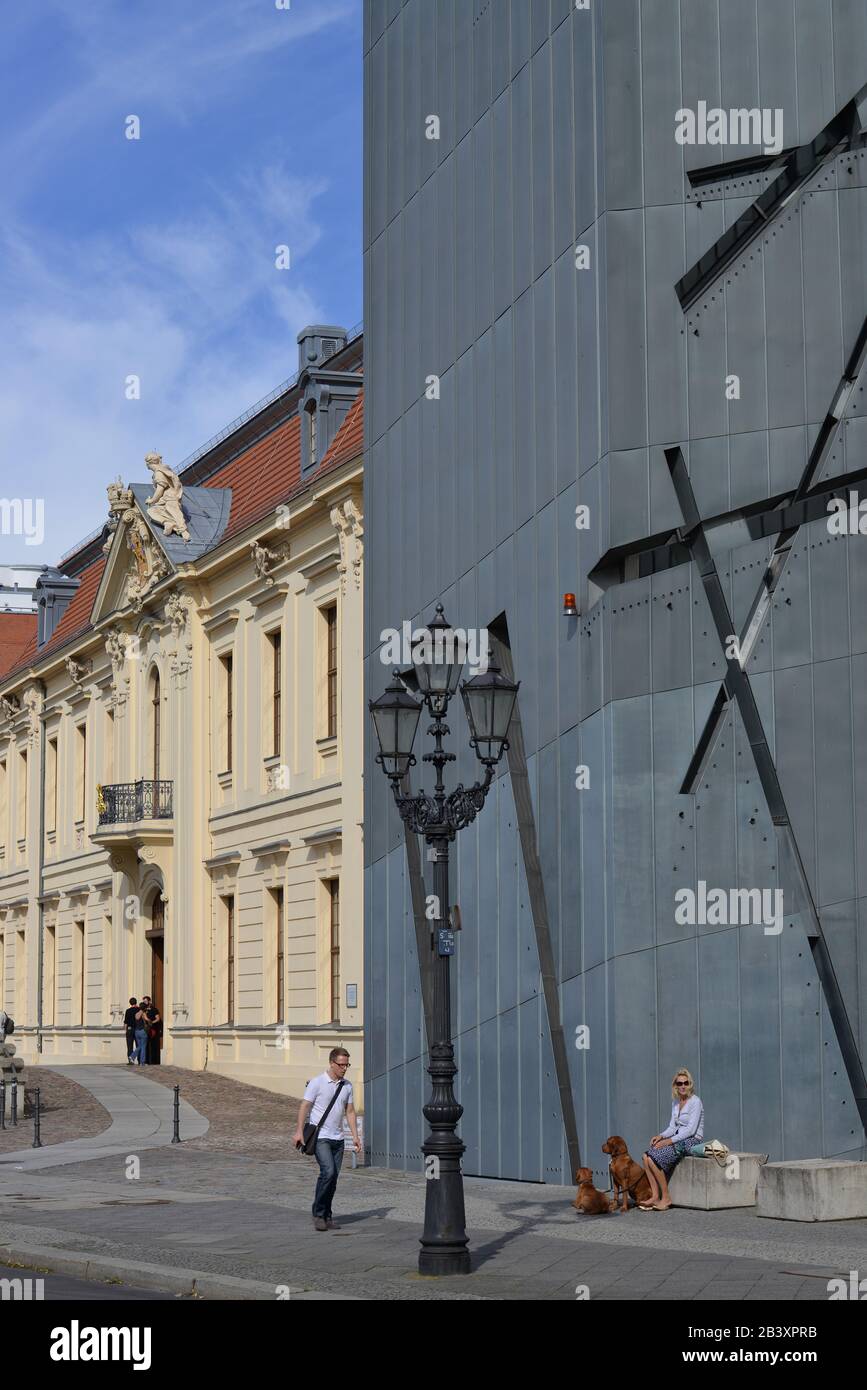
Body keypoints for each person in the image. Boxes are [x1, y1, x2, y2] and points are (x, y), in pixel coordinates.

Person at [293, 1048, 361, 1231]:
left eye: (347, 1064)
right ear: (331, 1063)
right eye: (341, 1064)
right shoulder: (317, 1082)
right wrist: (299, 1131)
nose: (344, 1068)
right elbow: (304, 1107)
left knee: (333, 1179)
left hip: (338, 1139)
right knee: (328, 1172)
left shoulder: (347, 1086)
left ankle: (327, 1216)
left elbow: (350, 1112)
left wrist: (355, 1137)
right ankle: (318, 1213)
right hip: (321, 1137)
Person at [641, 1067, 704, 1211]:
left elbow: (690, 1130)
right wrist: (661, 1136)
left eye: (685, 1083)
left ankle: (666, 1198)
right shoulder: (676, 1103)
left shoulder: (695, 1102)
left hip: (692, 1140)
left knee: (654, 1159)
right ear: (675, 1085)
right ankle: (655, 1196)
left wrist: (668, 1141)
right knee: (646, 1156)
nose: (682, 1086)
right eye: (679, 1083)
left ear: (690, 1084)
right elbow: (672, 1127)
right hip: (678, 1138)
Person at [143, 996, 162, 1065]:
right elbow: (144, 1017)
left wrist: (152, 1022)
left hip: (153, 1029)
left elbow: (158, 1018)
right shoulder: (143, 1010)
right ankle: (147, 1061)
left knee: (154, 1045)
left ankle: (155, 1061)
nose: (144, 1002)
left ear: (149, 1001)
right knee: (146, 1045)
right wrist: (148, 1021)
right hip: (146, 1029)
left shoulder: (154, 1009)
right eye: (144, 1001)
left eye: (146, 1001)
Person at [133, 1000, 149, 1066]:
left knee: (139, 1046)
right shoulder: (143, 1013)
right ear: (144, 1008)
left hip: (136, 1031)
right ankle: (142, 1062)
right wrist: (150, 1021)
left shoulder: (136, 1013)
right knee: (143, 1047)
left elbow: (137, 1019)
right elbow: (147, 1019)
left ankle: (132, 1056)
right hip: (142, 1031)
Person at [123, 998, 139, 1064]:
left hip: (129, 1029)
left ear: (130, 1003)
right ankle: (140, 1060)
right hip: (137, 1029)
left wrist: (125, 1030)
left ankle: (130, 1060)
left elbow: (126, 1022)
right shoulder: (139, 1010)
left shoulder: (128, 1011)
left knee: (129, 1046)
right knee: (138, 1045)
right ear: (136, 1002)